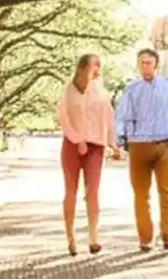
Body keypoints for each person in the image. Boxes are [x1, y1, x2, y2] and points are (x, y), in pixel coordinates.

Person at [115, 48, 168, 252]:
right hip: (138, 145)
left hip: (163, 144)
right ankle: (145, 238)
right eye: (142, 63)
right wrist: (121, 140)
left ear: (156, 65)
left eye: (148, 62)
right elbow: (121, 117)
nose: (145, 66)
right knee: (141, 195)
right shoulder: (131, 90)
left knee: (166, 191)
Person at [56, 53, 121, 256]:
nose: (98, 70)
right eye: (95, 65)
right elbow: (63, 118)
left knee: (92, 191)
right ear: (84, 67)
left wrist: (114, 144)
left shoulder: (101, 92)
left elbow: (108, 119)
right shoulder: (68, 90)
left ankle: (93, 238)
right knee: (71, 192)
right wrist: (77, 140)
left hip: (95, 147)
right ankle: (70, 237)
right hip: (72, 146)